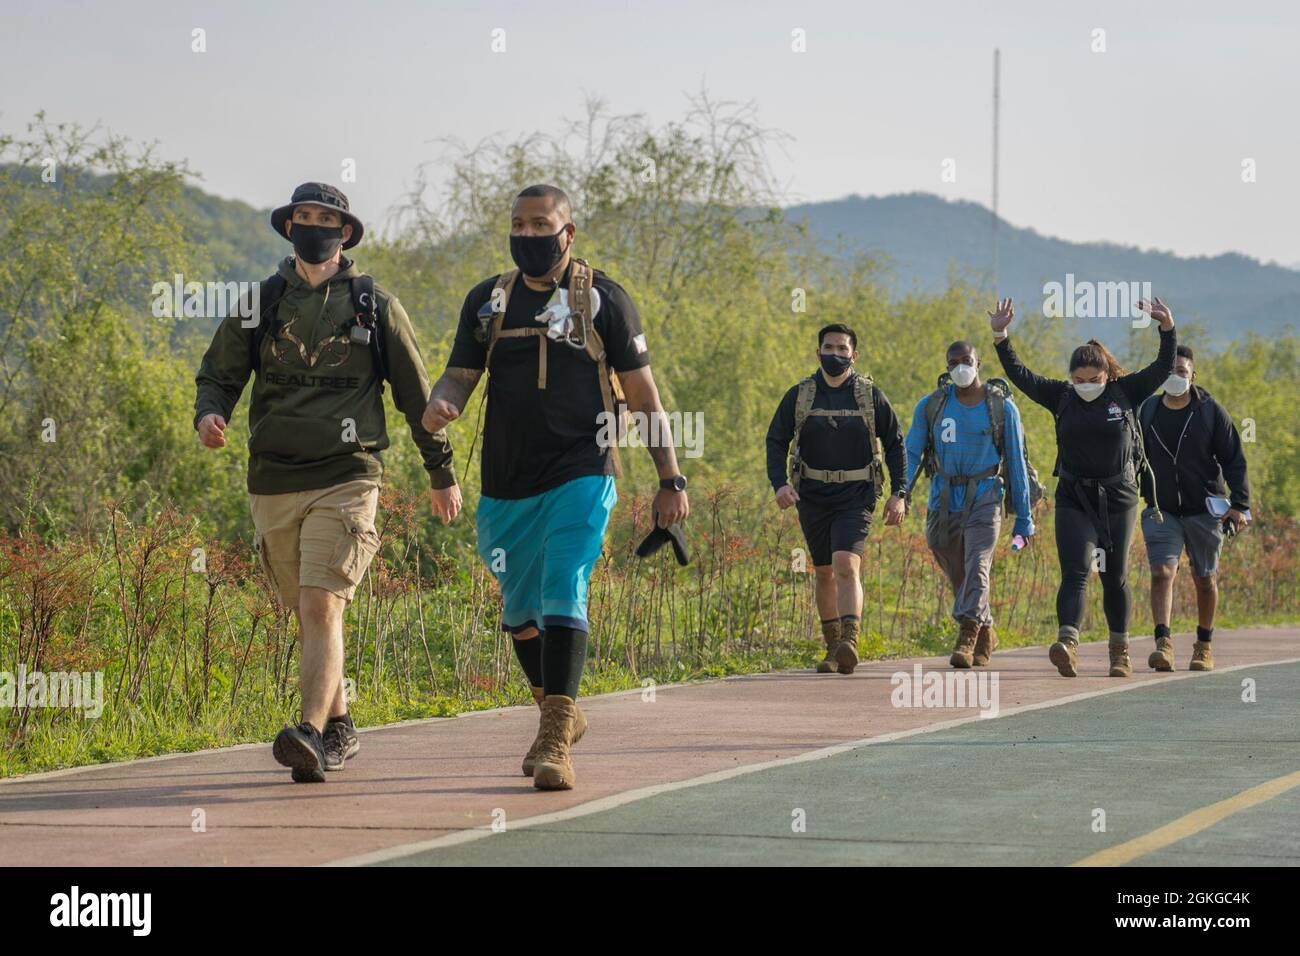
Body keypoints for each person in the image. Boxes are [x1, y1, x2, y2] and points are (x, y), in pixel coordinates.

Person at [422, 184, 688, 791]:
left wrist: (670, 477)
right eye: (519, 224)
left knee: (563, 583)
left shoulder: (604, 300)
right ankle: (559, 713)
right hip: (506, 480)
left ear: (569, 233)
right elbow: (460, 374)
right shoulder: (488, 302)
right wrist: (442, 403)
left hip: (583, 468)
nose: (529, 235)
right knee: (518, 610)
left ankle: (553, 740)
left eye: (542, 224)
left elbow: (644, 398)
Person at [195, 182, 461, 783]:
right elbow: (218, 374)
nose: (314, 227)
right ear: (290, 229)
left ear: (344, 232)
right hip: (274, 477)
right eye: (304, 218)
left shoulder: (375, 305)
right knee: (308, 611)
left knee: (322, 602)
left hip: (348, 474)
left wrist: (439, 471)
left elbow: (418, 397)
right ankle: (340, 727)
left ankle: (309, 733)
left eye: (326, 219)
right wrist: (210, 415)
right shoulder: (259, 302)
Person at [989, 296, 1176, 678]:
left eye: (1093, 380)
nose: (1085, 386)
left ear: (1107, 375)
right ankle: (1068, 643)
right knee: (1075, 571)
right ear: (1070, 377)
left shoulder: (1125, 393)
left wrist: (1167, 328)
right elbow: (1020, 375)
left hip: (1119, 497)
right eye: (1079, 380)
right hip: (1074, 497)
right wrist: (1000, 334)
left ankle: (1119, 650)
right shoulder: (1061, 397)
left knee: (1114, 576)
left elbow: (1162, 367)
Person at [765, 324, 907, 675]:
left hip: (856, 496)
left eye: (842, 349)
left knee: (846, 563)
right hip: (811, 495)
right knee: (824, 572)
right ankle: (832, 649)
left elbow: (896, 444)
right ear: (818, 352)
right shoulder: (800, 395)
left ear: (853, 355)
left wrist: (900, 493)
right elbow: (776, 440)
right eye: (829, 347)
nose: (835, 354)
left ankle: (850, 640)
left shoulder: (870, 396)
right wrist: (779, 484)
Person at [904, 340, 1037, 668]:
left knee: (978, 563)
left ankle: (967, 632)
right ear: (947, 367)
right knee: (953, 562)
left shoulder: (1001, 407)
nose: (960, 367)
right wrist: (900, 492)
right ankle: (986, 625)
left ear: (978, 363)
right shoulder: (932, 405)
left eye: (966, 360)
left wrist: (1024, 518)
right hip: (943, 496)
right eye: (954, 362)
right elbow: (911, 451)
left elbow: (1016, 464)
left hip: (986, 496)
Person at [1139, 345, 1250, 672]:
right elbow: (1132, 454)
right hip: (1163, 510)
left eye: (1182, 373)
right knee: (1162, 572)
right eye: (1170, 373)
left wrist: (1240, 505)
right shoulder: (1147, 411)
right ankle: (1164, 643)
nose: (1176, 378)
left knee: (1204, 578)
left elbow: (1234, 459)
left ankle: (1203, 644)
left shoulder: (1210, 412)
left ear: (1193, 376)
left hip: (1204, 510)